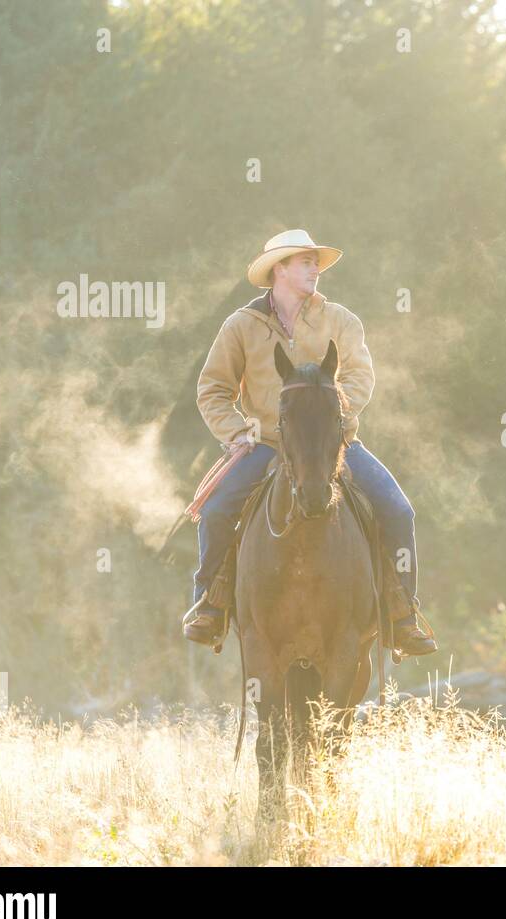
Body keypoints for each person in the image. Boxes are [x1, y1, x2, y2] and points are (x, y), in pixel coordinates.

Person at [181, 228, 436, 655]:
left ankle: (401, 613)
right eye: (305, 262)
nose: (315, 269)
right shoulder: (241, 326)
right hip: (265, 444)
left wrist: (331, 415)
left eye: (316, 262)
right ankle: (210, 602)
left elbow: (359, 377)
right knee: (218, 508)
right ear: (279, 270)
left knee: (398, 510)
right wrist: (237, 432)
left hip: (334, 443)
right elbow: (213, 390)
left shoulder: (341, 320)